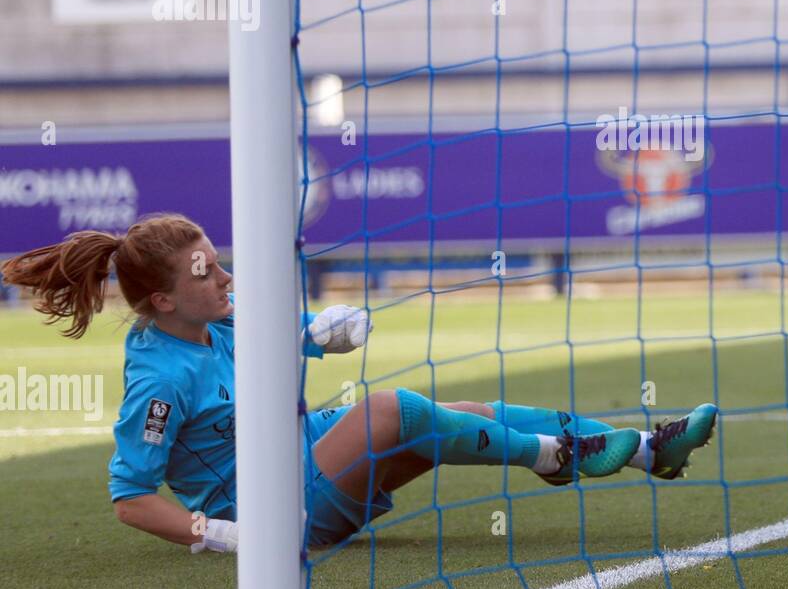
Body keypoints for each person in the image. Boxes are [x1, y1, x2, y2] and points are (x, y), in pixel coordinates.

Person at [0, 213, 718, 552]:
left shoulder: (221, 315)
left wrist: (324, 330)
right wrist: (224, 536)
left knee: (456, 412)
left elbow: (292, 334)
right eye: (207, 273)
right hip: (273, 509)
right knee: (387, 409)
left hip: (311, 457)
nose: (225, 278)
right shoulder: (157, 381)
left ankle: (655, 454)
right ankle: (553, 457)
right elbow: (129, 499)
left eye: (219, 261)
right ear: (161, 302)